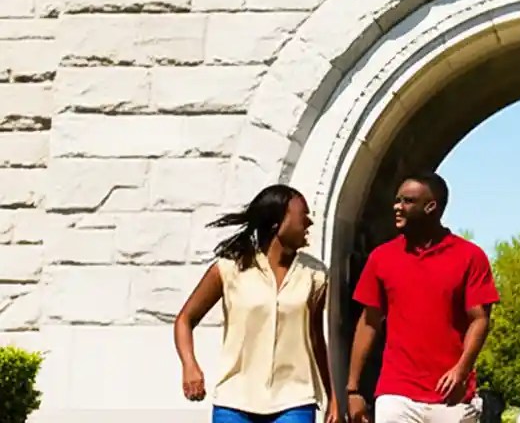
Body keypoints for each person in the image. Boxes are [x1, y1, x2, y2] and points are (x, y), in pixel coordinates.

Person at [173, 185, 338, 423]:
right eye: (303, 215)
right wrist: (189, 365)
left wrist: (331, 396)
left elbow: (315, 337)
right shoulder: (229, 269)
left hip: (294, 400)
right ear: (277, 223)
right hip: (235, 400)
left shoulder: (316, 275)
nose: (309, 222)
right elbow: (184, 320)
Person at [346, 171, 500, 423]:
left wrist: (461, 370)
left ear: (431, 207)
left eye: (407, 201)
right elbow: (368, 322)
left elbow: (480, 319)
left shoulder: (470, 256)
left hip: (452, 395)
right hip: (396, 393)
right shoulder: (381, 258)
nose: (397, 207)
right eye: (397, 200)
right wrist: (352, 389)